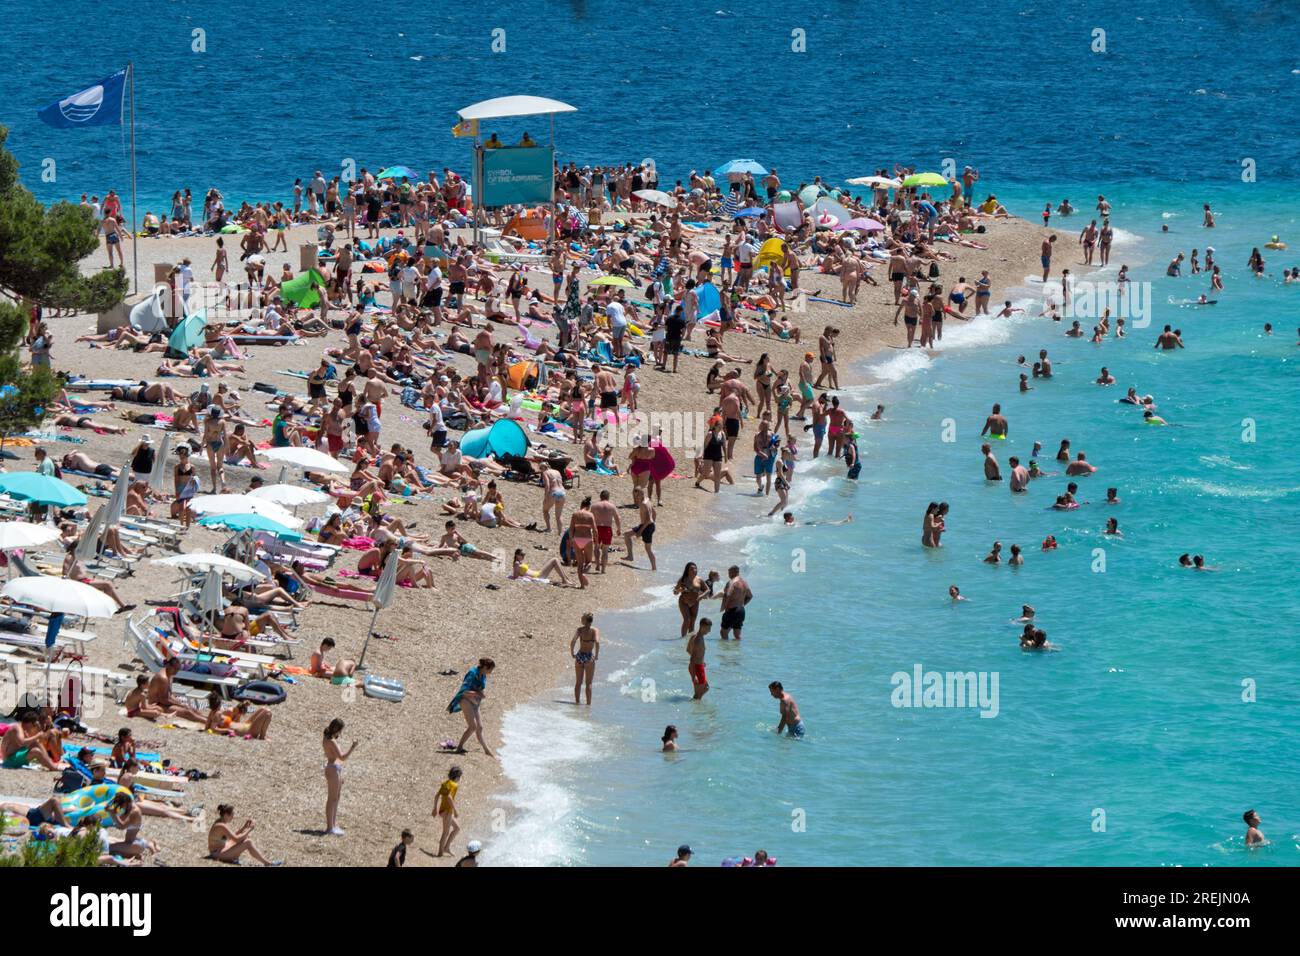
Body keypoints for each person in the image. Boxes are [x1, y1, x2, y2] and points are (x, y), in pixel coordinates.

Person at [449, 658, 496, 756]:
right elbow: (464, 691)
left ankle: (486, 749)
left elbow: (481, 688)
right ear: (485, 667)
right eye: (490, 669)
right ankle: (459, 747)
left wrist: (480, 694)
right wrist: (478, 693)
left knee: (480, 727)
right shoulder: (472, 673)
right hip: (465, 699)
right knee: (473, 727)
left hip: (475, 701)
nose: (491, 672)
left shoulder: (483, 675)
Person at [207, 804, 282, 865]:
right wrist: (250, 829)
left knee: (245, 838)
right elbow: (236, 839)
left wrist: (244, 828)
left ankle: (234, 859)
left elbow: (231, 837)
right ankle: (267, 863)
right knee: (248, 842)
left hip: (220, 850)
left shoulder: (220, 822)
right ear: (226, 815)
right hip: (216, 854)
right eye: (232, 815)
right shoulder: (221, 825)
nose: (233, 817)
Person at [323, 718, 357, 836]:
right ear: (336, 729)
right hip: (332, 769)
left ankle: (332, 825)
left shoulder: (326, 738)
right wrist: (352, 747)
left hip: (333, 768)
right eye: (340, 731)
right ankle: (329, 827)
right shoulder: (331, 741)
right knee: (332, 799)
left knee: (336, 798)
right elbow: (342, 757)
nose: (340, 734)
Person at [570, 612, 600, 705]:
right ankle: (588, 704)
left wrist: (572, 653)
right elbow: (597, 642)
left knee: (578, 682)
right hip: (589, 656)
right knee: (589, 683)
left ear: (585, 620)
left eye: (582, 619)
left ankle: (577, 703)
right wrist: (597, 655)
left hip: (580, 655)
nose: (581, 620)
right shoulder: (595, 630)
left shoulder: (580, 630)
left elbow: (573, 641)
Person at [434, 766, 463, 857]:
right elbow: (449, 797)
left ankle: (446, 847)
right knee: (445, 832)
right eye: (460, 777)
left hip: (442, 810)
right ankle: (440, 853)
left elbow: (437, 796)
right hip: (448, 811)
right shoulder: (454, 785)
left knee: (457, 828)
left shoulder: (445, 783)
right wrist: (455, 810)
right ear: (457, 777)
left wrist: (435, 808)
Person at [719, 565, 752, 640]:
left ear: (733, 572)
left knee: (723, 633)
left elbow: (728, 594)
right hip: (741, 611)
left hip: (732, 610)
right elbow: (750, 596)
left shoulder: (732, 582)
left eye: (729, 572)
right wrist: (743, 604)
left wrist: (726, 607)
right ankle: (736, 651)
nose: (728, 574)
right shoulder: (744, 583)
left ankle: (725, 651)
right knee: (737, 635)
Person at [687, 618, 711, 700]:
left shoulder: (694, 636)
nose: (709, 631)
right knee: (699, 695)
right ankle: (694, 710)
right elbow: (692, 659)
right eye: (708, 628)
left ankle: (694, 706)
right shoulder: (698, 640)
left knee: (706, 688)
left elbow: (688, 650)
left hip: (698, 666)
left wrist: (701, 660)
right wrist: (694, 676)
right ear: (702, 627)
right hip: (696, 668)